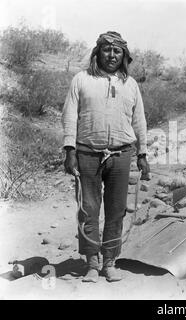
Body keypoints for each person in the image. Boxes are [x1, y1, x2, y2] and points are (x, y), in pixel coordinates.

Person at [62, 31, 150, 283]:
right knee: (88, 209)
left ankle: (109, 262)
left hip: (121, 154)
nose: (111, 55)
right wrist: (70, 151)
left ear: (124, 56)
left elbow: (139, 121)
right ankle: (91, 263)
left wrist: (142, 154)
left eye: (117, 51)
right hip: (87, 154)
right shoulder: (81, 80)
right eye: (106, 50)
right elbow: (69, 116)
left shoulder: (130, 84)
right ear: (97, 52)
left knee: (116, 211)